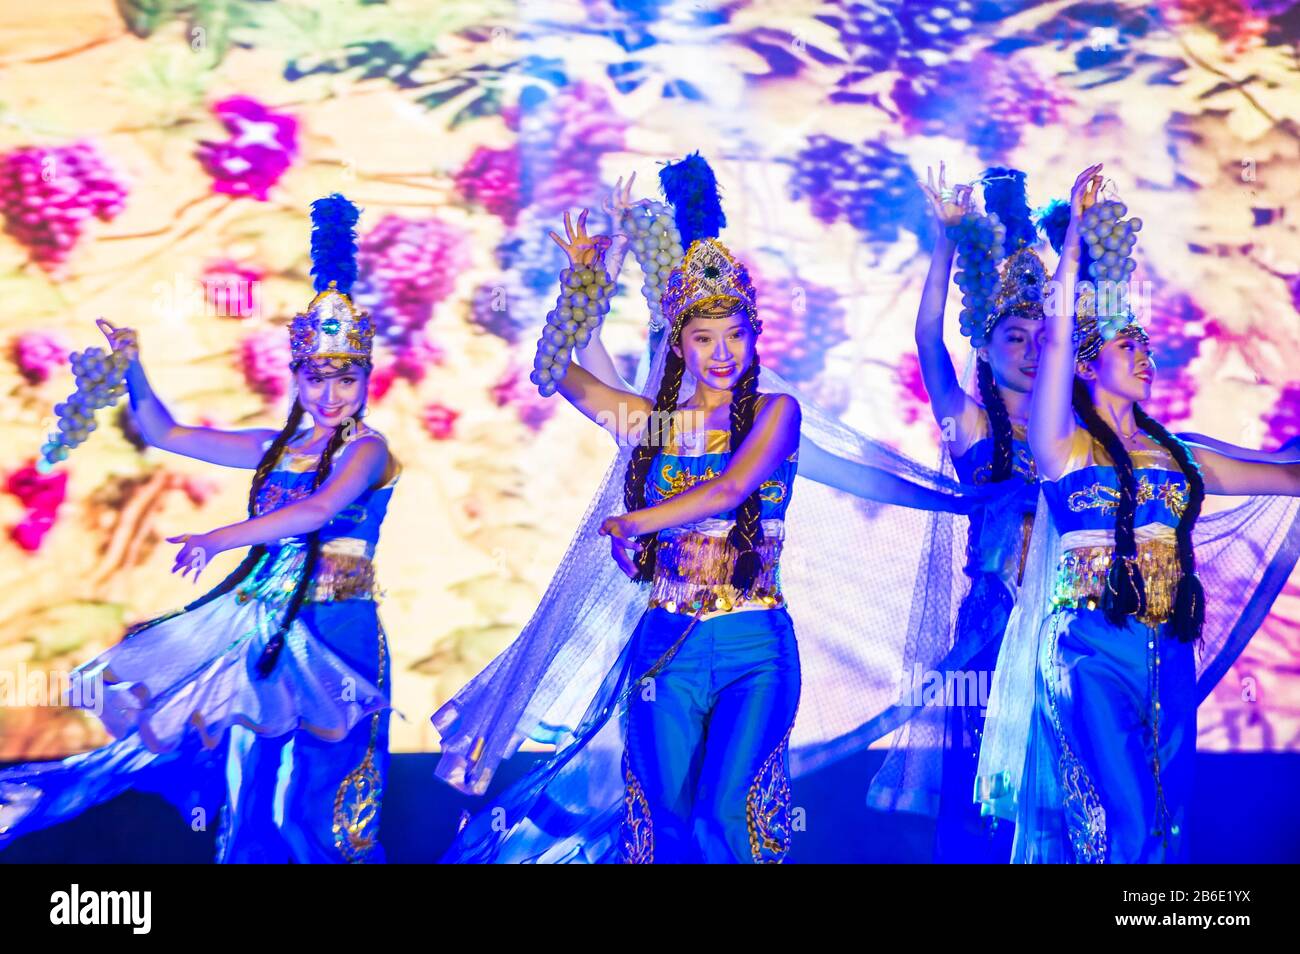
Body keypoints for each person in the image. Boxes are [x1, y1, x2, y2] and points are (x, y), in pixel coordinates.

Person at [0, 194, 400, 863]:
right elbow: (164, 431)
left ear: (365, 379)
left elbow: (315, 512)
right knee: (255, 790)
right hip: (265, 629)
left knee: (320, 796)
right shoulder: (272, 446)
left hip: (341, 630)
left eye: (347, 377)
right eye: (318, 377)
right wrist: (132, 367)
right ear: (297, 377)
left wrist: (220, 538)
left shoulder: (370, 450)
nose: (332, 393)